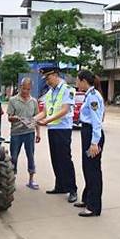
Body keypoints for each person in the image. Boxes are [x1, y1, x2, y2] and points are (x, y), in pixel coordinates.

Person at [35, 67, 78, 203]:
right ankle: (60, 186)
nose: (47, 81)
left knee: (65, 159)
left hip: (63, 129)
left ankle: (72, 189)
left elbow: (65, 110)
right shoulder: (49, 93)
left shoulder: (67, 90)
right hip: (52, 129)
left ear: (55, 75)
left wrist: (47, 121)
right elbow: (45, 112)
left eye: (48, 78)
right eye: (45, 79)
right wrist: (32, 119)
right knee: (55, 159)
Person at [74, 70, 105, 217]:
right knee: (87, 168)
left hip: (92, 135)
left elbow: (97, 121)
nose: (76, 83)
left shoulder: (93, 97)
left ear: (83, 81)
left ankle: (93, 206)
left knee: (93, 170)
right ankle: (87, 199)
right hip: (87, 133)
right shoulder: (89, 95)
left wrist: (94, 143)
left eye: (77, 80)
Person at [6, 77, 41, 189]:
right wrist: (15, 118)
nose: (25, 91)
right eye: (24, 88)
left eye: (28, 89)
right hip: (16, 133)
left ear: (31, 89)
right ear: (20, 87)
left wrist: (38, 133)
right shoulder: (13, 100)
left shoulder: (33, 101)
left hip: (29, 132)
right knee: (14, 157)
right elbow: (9, 118)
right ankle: (12, 180)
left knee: (30, 156)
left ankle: (31, 180)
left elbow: (37, 118)